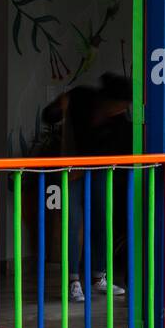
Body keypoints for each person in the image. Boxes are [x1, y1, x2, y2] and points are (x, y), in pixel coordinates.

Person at [41, 72, 131, 302]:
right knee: (72, 223)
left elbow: (112, 152)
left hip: (97, 171)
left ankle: (98, 277)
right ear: (108, 100)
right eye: (120, 104)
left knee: (102, 220)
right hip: (68, 168)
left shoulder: (120, 123)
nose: (122, 109)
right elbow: (48, 116)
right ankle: (73, 281)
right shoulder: (81, 96)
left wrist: (84, 167)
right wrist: (58, 106)